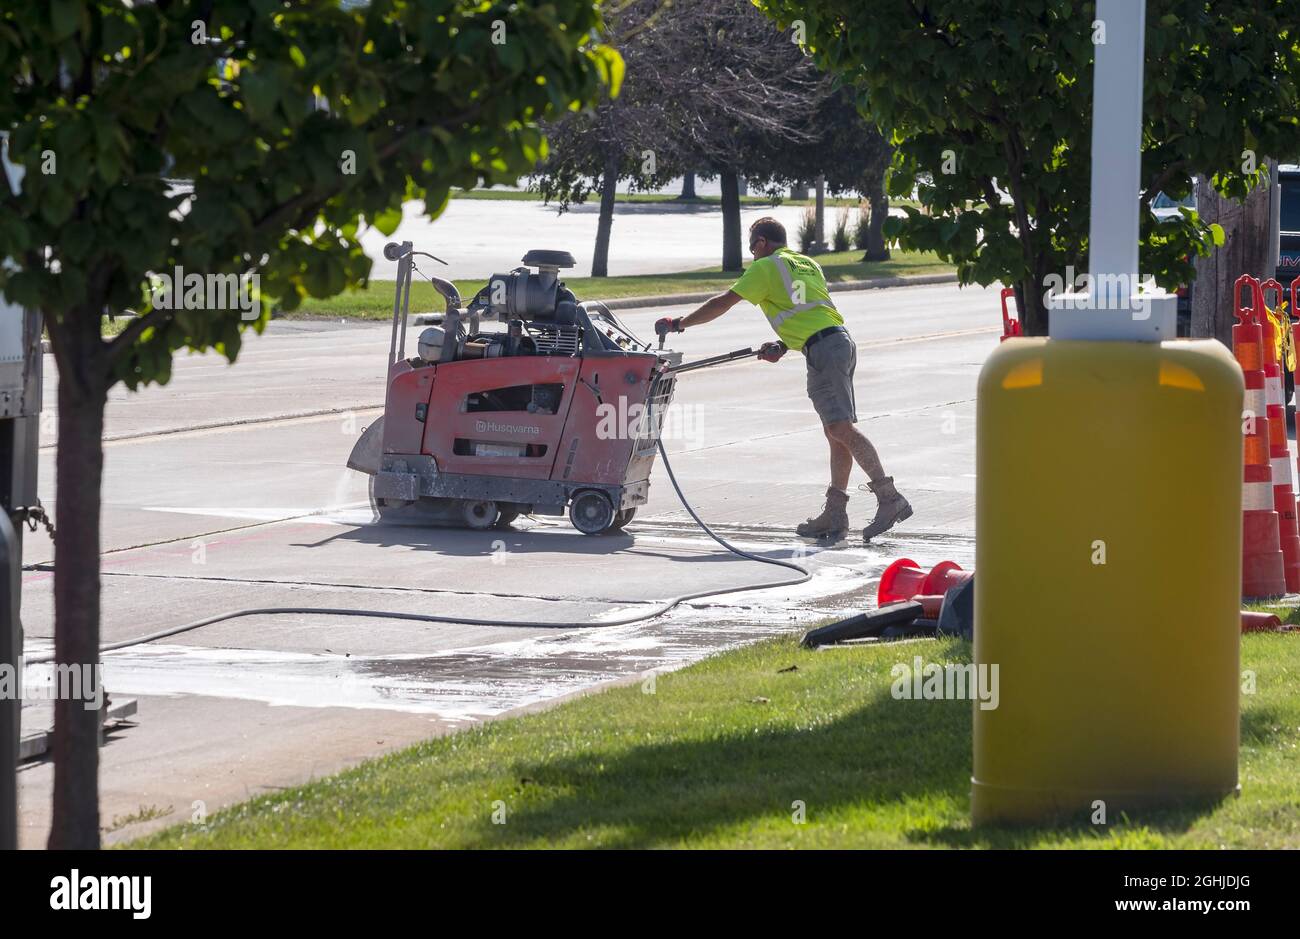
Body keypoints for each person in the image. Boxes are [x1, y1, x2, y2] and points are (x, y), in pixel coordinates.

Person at [655, 216, 911, 542]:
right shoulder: (806, 264)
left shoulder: (765, 267)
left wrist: (679, 324)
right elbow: (807, 311)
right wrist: (783, 344)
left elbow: (722, 303)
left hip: (824, 350)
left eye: (752, 246)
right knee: (836, 431)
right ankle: (835, 513)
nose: (751, 253)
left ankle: (890, 498)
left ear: (762, 242)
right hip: (837, 343)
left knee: (841, 429)